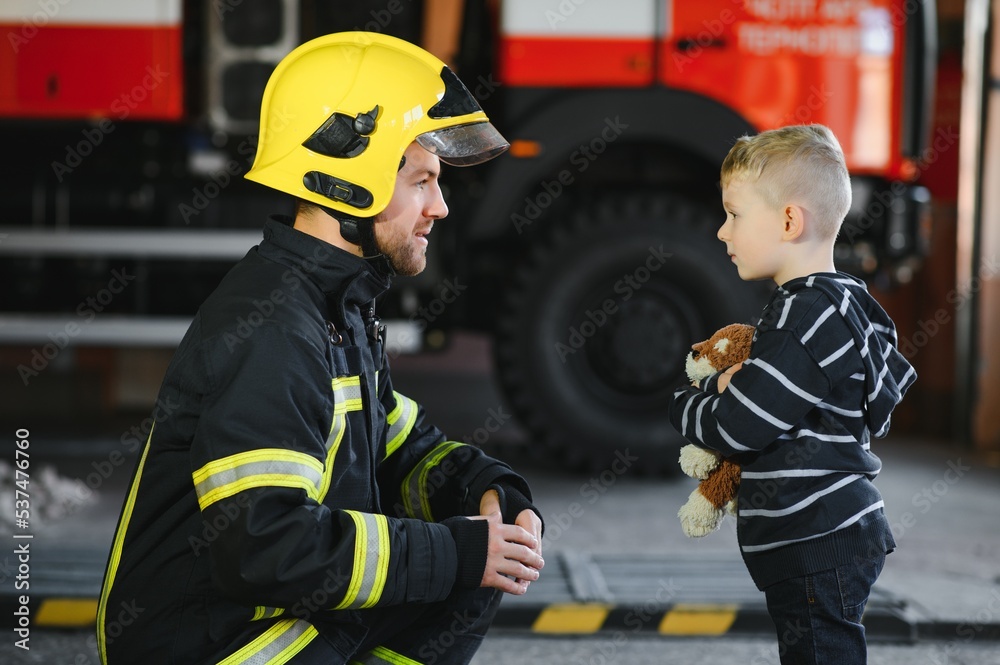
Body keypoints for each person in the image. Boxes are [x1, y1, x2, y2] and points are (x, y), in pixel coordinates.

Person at [97, 32, 544, 665]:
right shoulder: (275, 328)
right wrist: (454, 551)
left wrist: (489, 493)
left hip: (253, 623)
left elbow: (399, 446)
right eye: (421, 181)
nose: (439, 207)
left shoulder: (336, 307)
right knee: (455, 567)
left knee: (469, 572)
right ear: (347, 183)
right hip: (208, 642)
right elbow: (266, 548)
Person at [668, 124, 916, 664]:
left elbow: (740, 426)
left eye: (734, 214)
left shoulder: (802, 315)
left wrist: (687, 401)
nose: (721, 232)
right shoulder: (844, 303)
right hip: (833, 533)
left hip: (816, 536)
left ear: (788, 220)